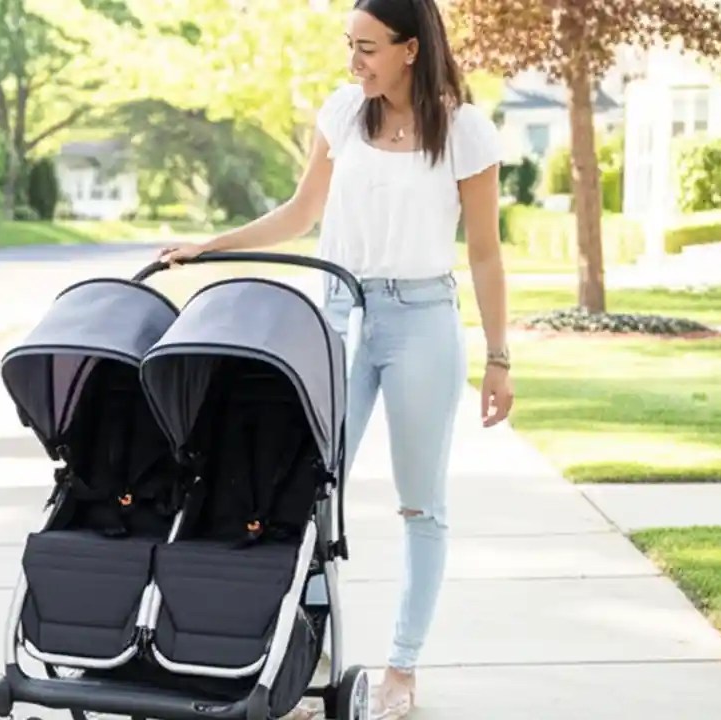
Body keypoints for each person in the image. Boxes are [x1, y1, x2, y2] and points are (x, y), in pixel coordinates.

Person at [158, 0, 513, 716]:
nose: (354, 63)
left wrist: (499, 357)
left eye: (368, 48)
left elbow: (483, 252)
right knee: (305, 493)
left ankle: (402, 668)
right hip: (334, 316)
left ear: (411, 48)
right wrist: (209, 246)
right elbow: (300, 213)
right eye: (349, 45)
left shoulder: (465, 132)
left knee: (421, 503)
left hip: (421, 319)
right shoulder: (344, 113)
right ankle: (303, 659)